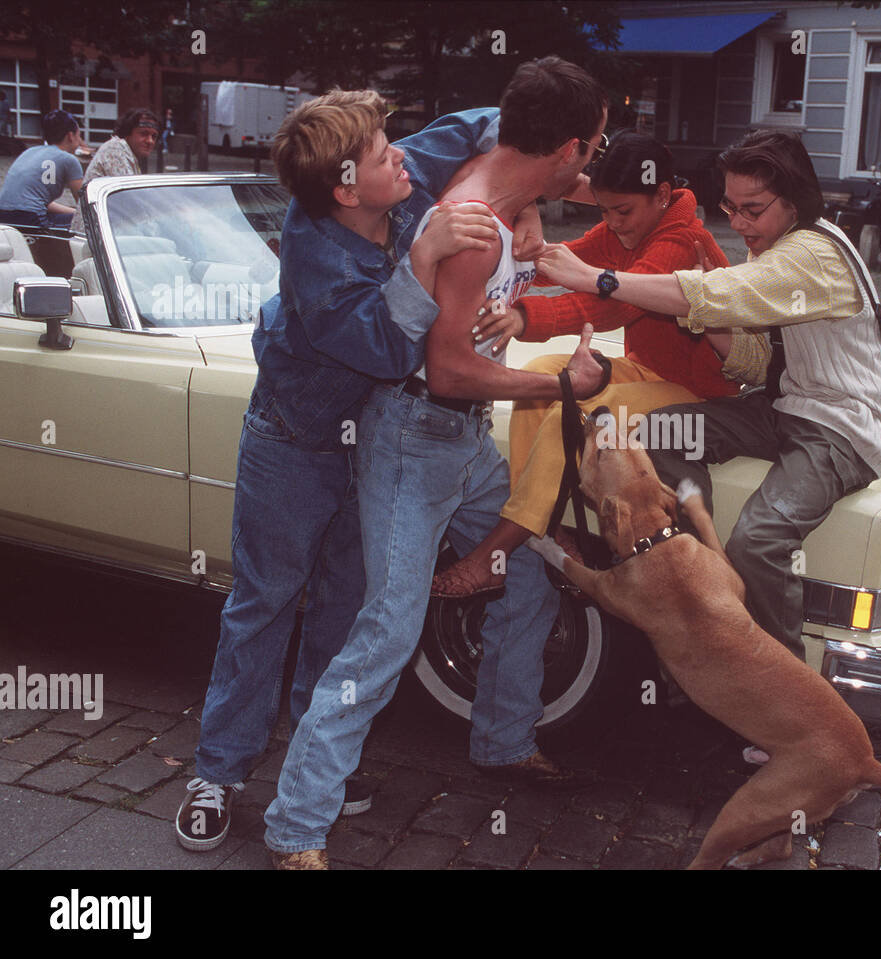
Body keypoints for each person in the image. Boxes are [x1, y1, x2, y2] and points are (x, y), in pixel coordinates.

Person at [262, 57, 610, 870]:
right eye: (588, 151)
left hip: (458, 439)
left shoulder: (504, 179)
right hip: (416, 437)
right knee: (386, 633)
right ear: (563, 149)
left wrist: (540, 218)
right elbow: (448, 369)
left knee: (530, 555)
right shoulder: (473, 220)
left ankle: (501, 738)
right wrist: (561, 383)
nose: (590, 168)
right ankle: (295, 826)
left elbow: (519, 132)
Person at [175, 89, 515, 854]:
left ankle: (312, 762)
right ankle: (219, 774)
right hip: (293, 443)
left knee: (343, 607)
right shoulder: (316, 256)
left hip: (375, 444)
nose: (403, 154)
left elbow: (482, 124)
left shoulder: (391, 174)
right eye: (382, 152)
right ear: (344, 188)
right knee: (265, 604)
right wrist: (424, 254)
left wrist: (529, 178)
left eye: (394, 141)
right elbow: (391, 350)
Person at [537, 129, 881, 656]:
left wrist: (600, 279)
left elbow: (711, 294)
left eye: (753, 209)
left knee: (757, 542)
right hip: (785, 410)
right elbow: (754, 364)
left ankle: (777, 683)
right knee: (658, 433)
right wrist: (709, 320)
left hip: (841, 429)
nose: (739, 223)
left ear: (793, 198)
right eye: (730, 207)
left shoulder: (811, 254)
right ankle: (691, 572)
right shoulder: (778, 252)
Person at [431, 130, 770, 595]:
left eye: (623, 211)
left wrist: (524, 315)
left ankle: (501, 547)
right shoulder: (626, 226)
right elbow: (562, 264)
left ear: (663, 195)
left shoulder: (680, 240)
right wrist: (504, 274)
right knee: (536, 377)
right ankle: (545, 522)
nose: (613, 223)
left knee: (568, 408)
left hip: (698, 394)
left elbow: (614, 304)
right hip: (647, 372)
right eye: (605, 210)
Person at [69, 108, 161, 232]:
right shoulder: (115, 148)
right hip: (93, 237)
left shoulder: (129, 155)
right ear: (128, 133)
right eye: (143, 133)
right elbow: (132, 201)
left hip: (108, 231)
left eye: (154, 136)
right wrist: (156, 232)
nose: (150, 141)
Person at [0, 110, 84, 228]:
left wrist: (73, 211)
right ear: (70, 136)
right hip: (30, 218)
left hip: (3, 214)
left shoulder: (30, 152)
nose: (80, 141)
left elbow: (36, 201)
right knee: (87, 222)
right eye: (79, 135)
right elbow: (83, 205)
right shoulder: (69, 160)